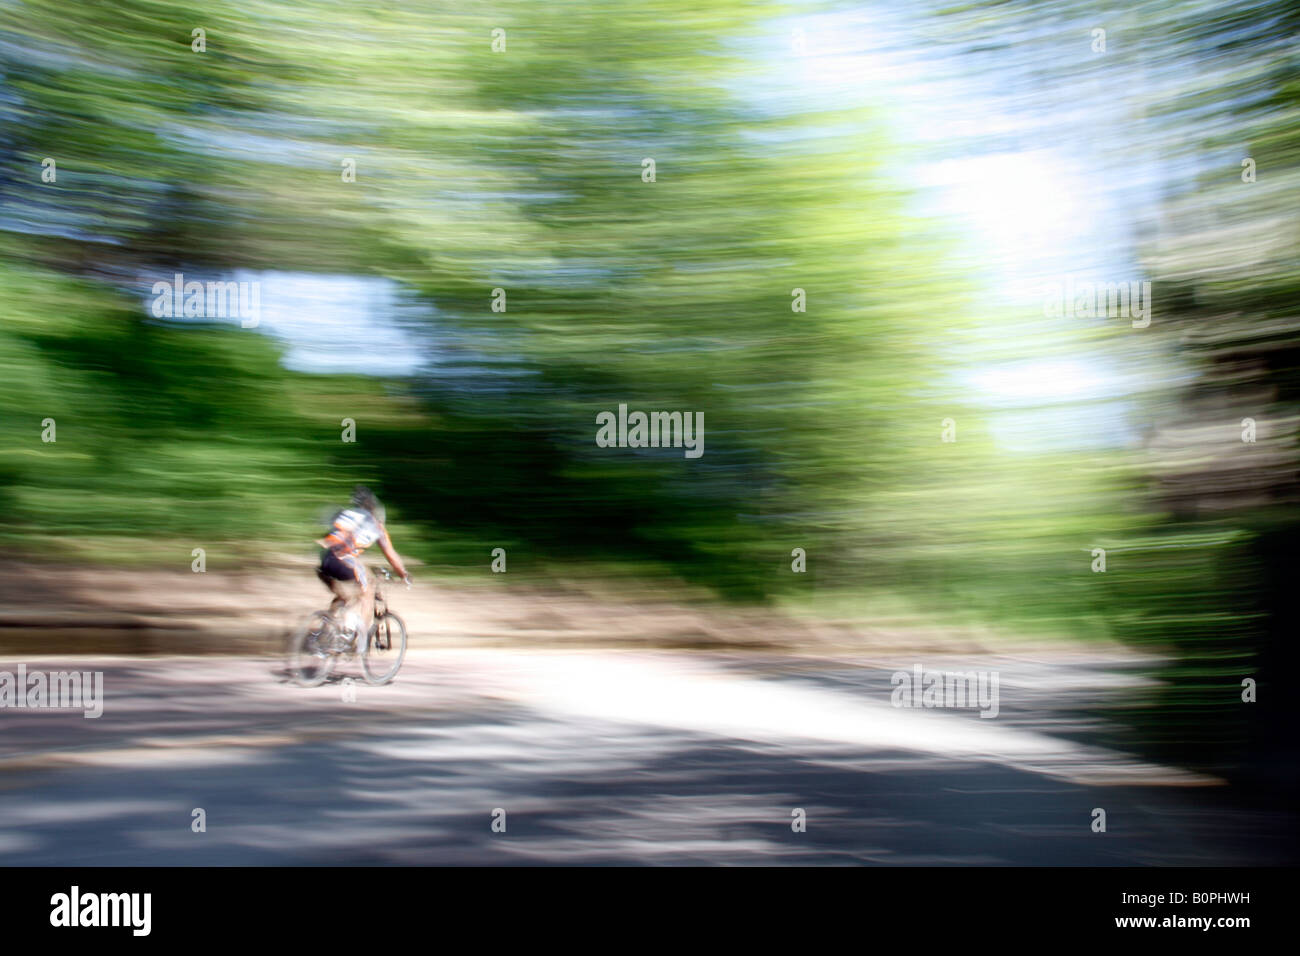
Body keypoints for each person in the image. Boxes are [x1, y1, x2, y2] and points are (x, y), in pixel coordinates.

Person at [315, 486, 410, 646]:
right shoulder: (376, 525)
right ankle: (360, 642)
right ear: (372, 506)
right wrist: (404, 575)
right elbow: (391, 556)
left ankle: (324, 633)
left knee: (344, 597)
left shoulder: (344, 514)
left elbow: (328, 536)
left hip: (324, 560)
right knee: (368, 590)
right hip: (343, 560)